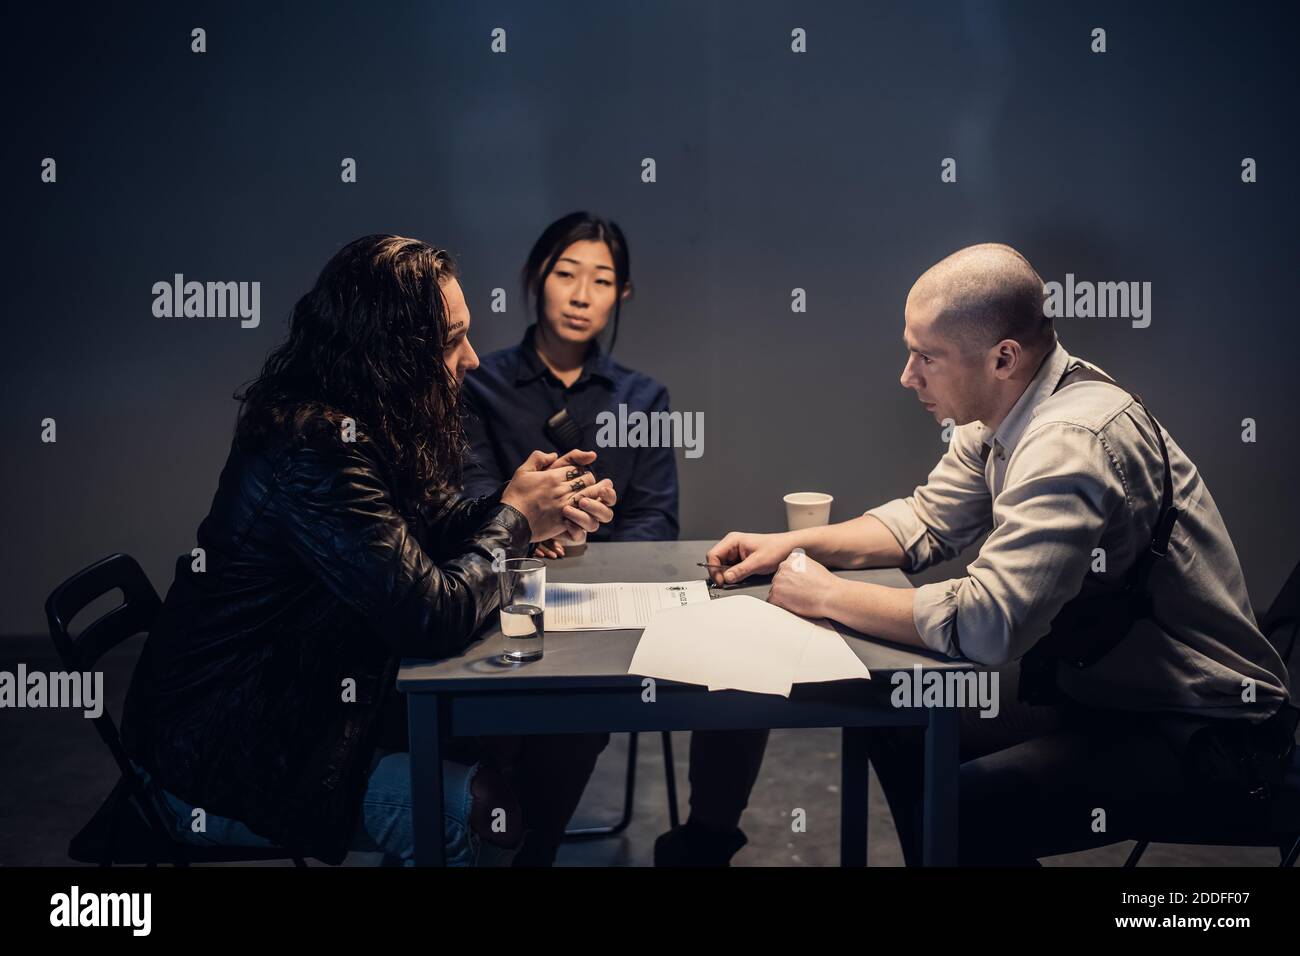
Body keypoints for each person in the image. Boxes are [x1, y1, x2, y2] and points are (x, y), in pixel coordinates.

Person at [705, 242, 1295, 865]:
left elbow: (990, 625)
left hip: (1200, 726)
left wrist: (824, 594)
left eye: (926, 356)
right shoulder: (1006, 409)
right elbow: (926, 521)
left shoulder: (1069, 442)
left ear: (1004, 357)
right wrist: (792, 544)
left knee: (962, 813)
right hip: (1103, 690)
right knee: (898, 718)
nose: (908, 376)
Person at [121, 234, 619, 866]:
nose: (470, 359)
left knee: (524, 731)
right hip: (219, 756)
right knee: (482, 809)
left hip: (295, 706)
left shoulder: (362, 415)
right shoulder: (314, 446)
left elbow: (429, 528)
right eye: (449, 342)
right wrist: (517, 521)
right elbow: (427, 617)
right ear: (388, 354)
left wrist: (522, 508)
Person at [462, 212, 768, 865]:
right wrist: (537, 530)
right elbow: (471, 505)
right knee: (551, 703)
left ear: (620, 294)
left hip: (605, 605)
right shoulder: (479, 385)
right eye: (566, 274)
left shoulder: (643, 397)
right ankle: (515, 844)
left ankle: (700, 842)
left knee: (743, 666)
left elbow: (657, 520)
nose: (580, 295)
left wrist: (581, 535)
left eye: (600, 281)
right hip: (503, 600)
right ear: (535, 277)